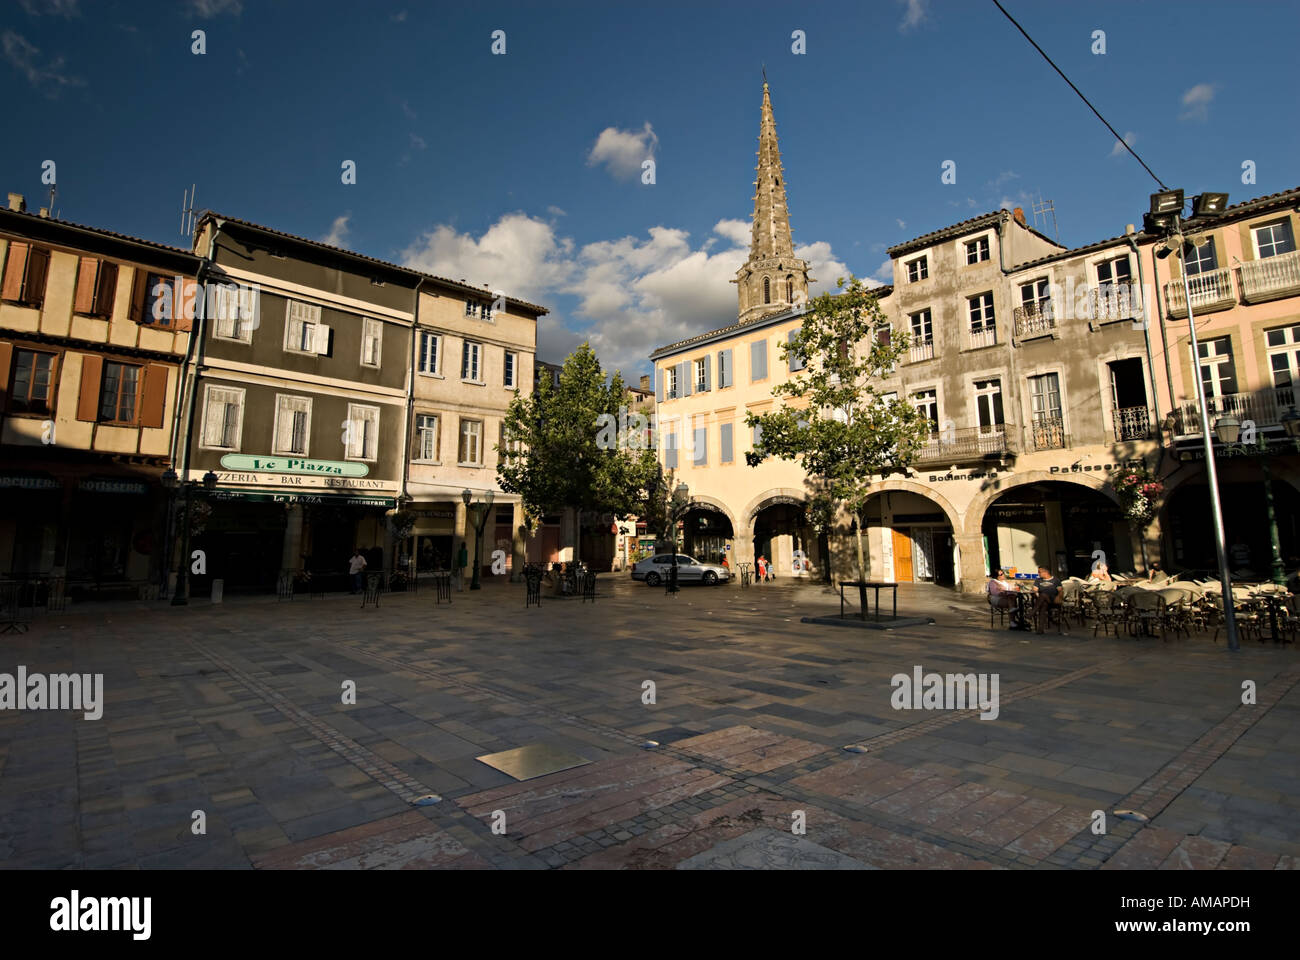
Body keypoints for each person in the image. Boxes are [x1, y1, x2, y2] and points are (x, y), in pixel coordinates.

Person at [1034, 565, 1062, 634]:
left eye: (1039, 572)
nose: (1038, 573)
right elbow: (1035, 590)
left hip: (1053, 600)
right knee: (1043, 604)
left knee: (1043, 595)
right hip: (1042, 601)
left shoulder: (1055, 580)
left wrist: (1059, 598)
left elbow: (1061, 591)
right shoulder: (1038, 580)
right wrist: (1037, 595)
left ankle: (1032, 612)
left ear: (1045, 572)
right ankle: (1040, 629)